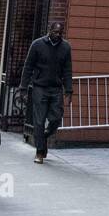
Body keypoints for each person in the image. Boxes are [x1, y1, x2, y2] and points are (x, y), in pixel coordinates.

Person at [20, 19, 72, 163]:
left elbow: (67, 70)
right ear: (49, 31)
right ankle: (40, 152)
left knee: (56, 118)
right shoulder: (37, 45)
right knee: (39, 120)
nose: (58, 35)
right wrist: (23, 87)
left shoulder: (66, 48)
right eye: (55, 32)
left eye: (60, 32)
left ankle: (44, 136)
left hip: (56, 88)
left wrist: (69, 89)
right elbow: (28, 66)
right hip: (40, 87)